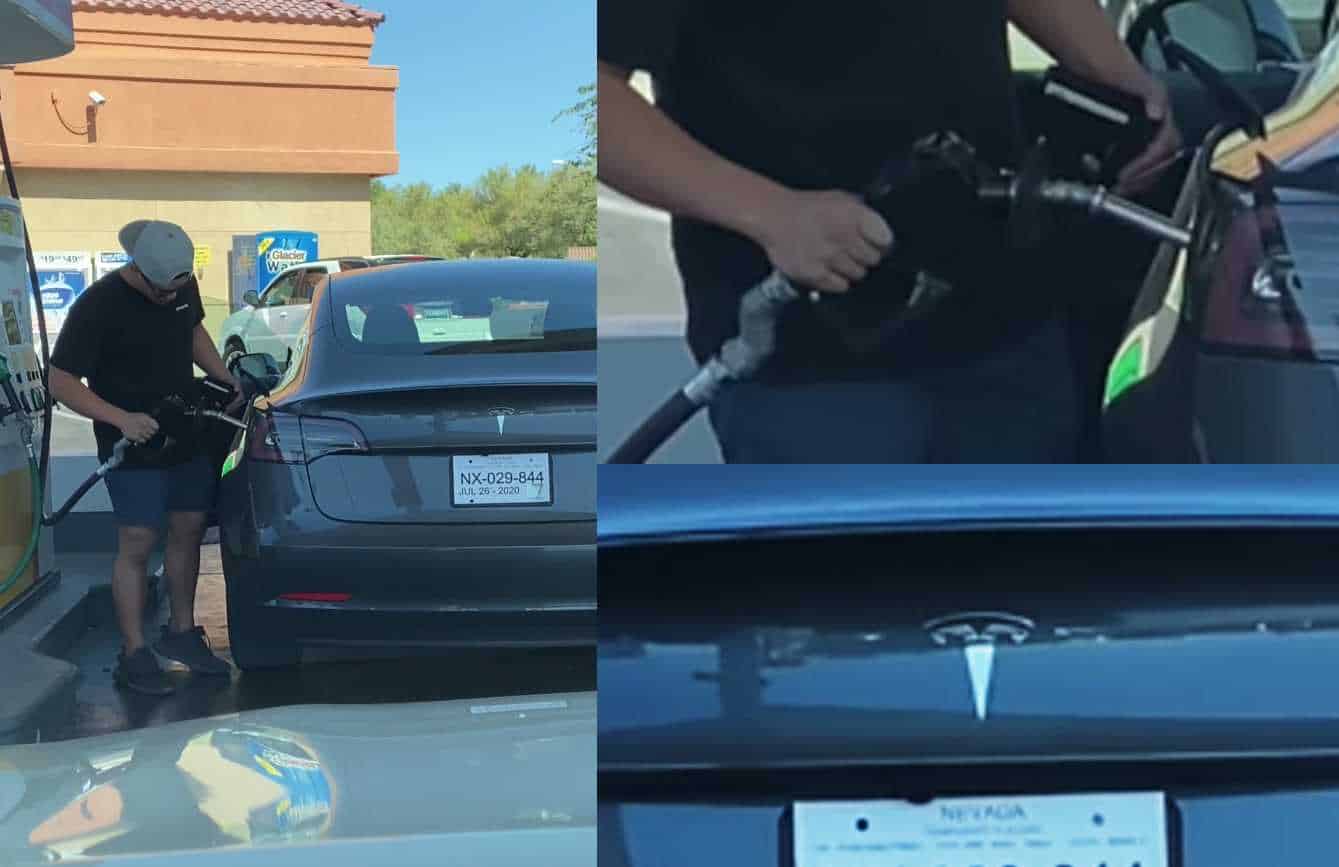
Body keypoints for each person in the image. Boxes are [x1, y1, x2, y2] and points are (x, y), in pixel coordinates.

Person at [599, 0, 1183, 463]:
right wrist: (773, 214)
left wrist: (1121, 78)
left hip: (1009, 321)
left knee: (1026, 573)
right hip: (816, 361)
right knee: (857, 578)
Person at [48, 220, 242, 695]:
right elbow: (60, 380)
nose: (170, 296)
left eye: (177, 288)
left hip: (187, 429)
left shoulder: (179, 283)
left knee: (189, 527)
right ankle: (134, 652)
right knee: (138, 539)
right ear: (137, 268)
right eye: (162, 290)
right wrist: (121, 419)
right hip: (131, 441)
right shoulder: (97, 305)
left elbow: (192, 330)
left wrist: (224, 377)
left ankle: (182, 633)